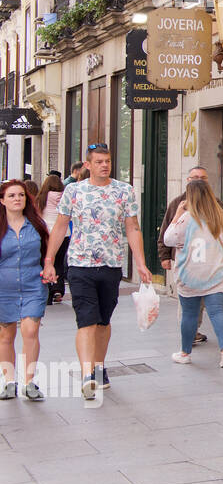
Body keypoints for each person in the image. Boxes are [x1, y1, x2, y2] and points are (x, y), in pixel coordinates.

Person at [42, 144, 151, 400]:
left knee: (103, 321)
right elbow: (59, 227)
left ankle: (99, 367)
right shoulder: (74, 191)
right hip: (80, 265)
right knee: (86, 320)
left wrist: (141, 263)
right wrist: (49, 260)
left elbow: (133, 228)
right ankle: (87, 374)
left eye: (108, 161)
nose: (105, 165)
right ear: (88, 165)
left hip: (111, 265)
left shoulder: (124, 191)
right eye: (99, 161)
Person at [163, 179, 223, 368]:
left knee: (189, 314)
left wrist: (178, 213)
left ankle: (185, 353)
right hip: (216, 275)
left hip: (189, 276)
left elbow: (168, 239)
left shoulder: (186, 219)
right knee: (218, 312)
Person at [0, 180, 49, 401]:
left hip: (33, 284)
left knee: (30, 331)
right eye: (11, 196)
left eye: (20, 195)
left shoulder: (37, 225)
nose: (17, 199)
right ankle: (10, 382)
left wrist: (50, 267)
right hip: (4, 287)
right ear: (2, 201)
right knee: (5, 335)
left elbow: (48, 252)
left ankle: (29, 382)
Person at [158, 166, 212, 345]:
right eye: (194, 177)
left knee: (202, 301)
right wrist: (164, 256)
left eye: (202, 177)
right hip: (182, 261)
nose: (198, 180)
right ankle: (188, 333)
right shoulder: (178, 203)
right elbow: (167, 230)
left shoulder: (215, 203)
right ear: (187, 181)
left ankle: (193, 330)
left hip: (207, 261)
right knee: (186, 301)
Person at [36, 174, 66, 303]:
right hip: (64, 233)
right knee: (59, 261)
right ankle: (58, 288)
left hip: (46, 232)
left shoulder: (42, 197)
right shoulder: (64, 196)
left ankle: (47, 290)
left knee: (46, 261)